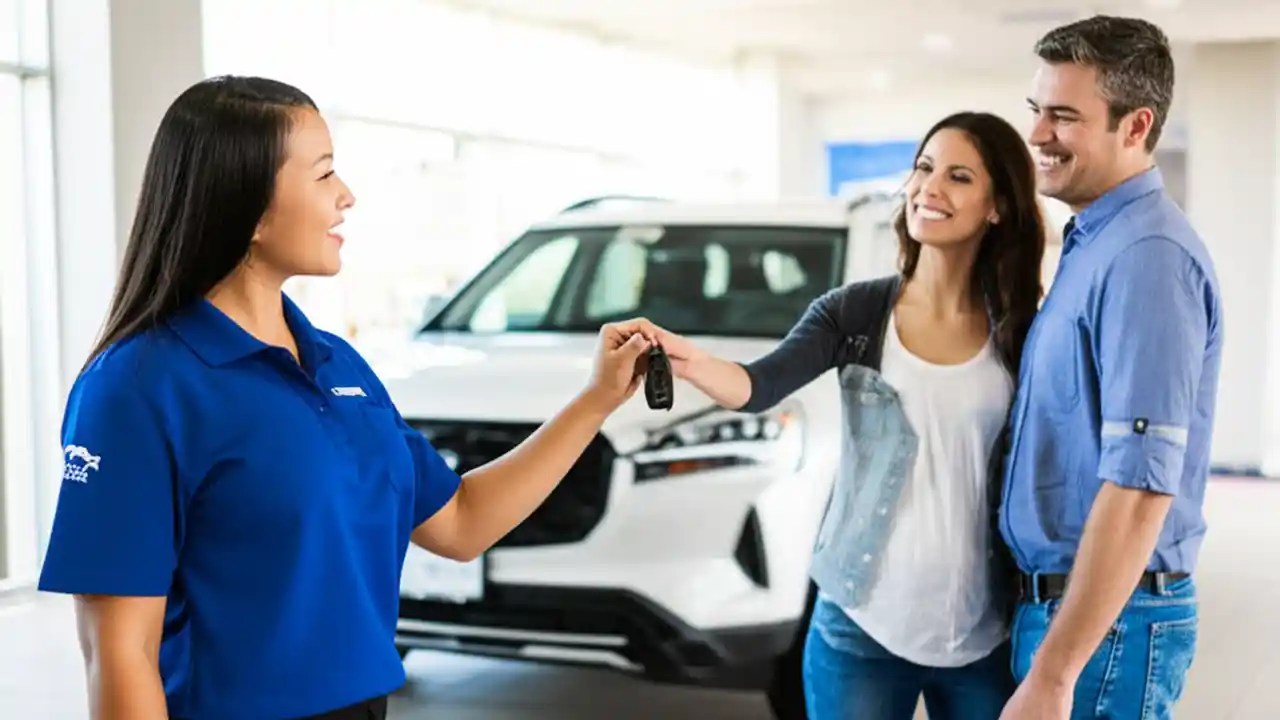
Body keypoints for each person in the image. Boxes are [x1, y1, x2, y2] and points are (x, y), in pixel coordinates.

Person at [37, 76, 654, 720]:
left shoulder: (338, 363)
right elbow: (119, 653)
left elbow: (462, 522)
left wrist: (595, 402)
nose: (347, 196)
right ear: (246, 206)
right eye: (325, 174)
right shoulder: (137, 387)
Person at [633, 112, 1046, 719]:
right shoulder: (855, 314)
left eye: (958, 177)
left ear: (997, 207)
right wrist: (689, 359)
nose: (929, 188)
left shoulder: (1024, 328)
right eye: (924, 168)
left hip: (987, 630)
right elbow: (757, 384)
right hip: (862, 621)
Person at [997, 16, 1223, 720]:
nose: (1037, 135)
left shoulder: (1146, 258)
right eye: (1038, 110)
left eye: (1064, 117)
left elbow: (1140, 487)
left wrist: (1055, 674)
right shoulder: (1094, 241)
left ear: (1135, 126)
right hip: (1076, 612)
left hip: (1107, 626)